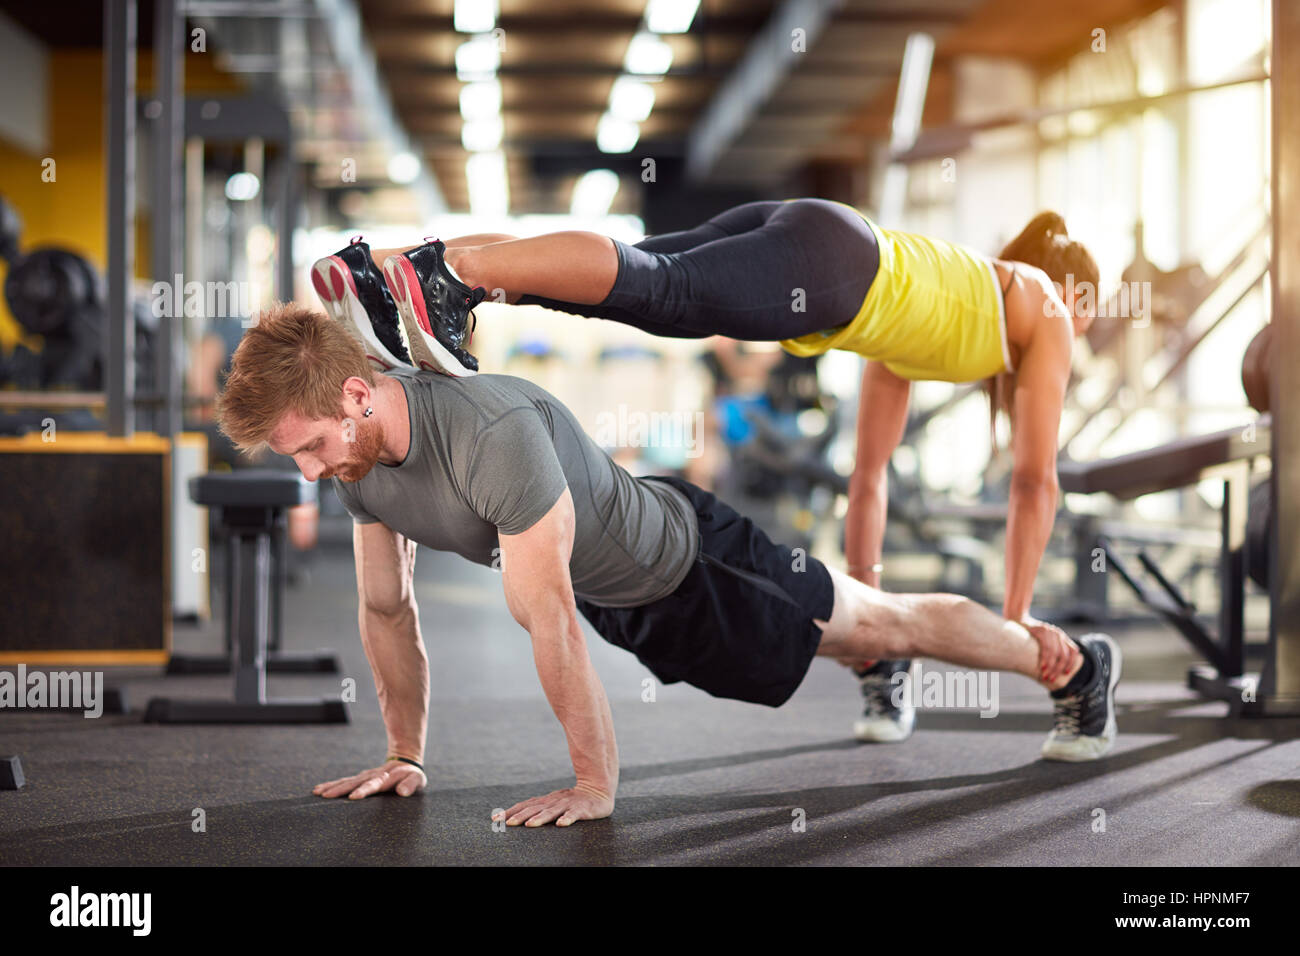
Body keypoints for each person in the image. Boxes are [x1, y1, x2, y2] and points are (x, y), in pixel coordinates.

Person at [214, 303, 1122, 827]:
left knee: (881, 618)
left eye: (311, 445)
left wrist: (594, 785)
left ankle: (1074, 665)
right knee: (813, 650)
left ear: (357, 395)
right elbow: (384, 609)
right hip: (631, 603)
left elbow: (548, 616)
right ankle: (873, 665)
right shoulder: (358, 466)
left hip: (702, 564)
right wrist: (404, 754)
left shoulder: (490, 434)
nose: (308, 472)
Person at [311, 200, 1099, 742]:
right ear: (1077, 294)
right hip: (832, 260)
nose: (1080, 341)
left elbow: (870, 475)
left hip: (829, 247)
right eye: (1090, 316)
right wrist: (1022, 611)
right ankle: (444, 272)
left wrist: (871, 597)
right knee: (658, 288)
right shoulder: (1046, 304)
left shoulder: (927, 317)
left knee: (633, 276)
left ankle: (385, 267)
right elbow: (1036, 483)